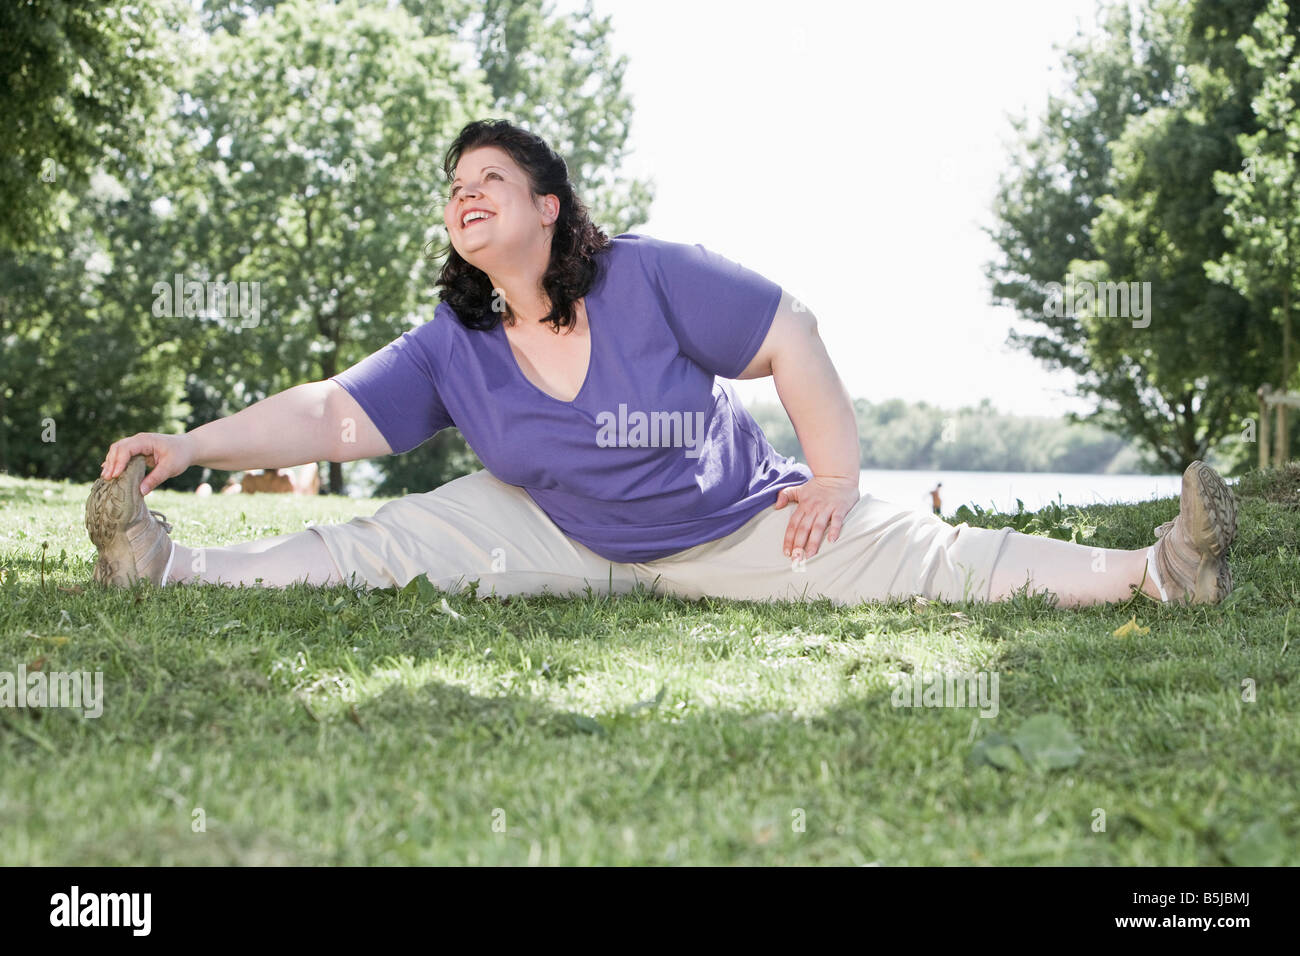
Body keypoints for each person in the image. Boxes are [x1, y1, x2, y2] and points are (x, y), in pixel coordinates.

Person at [85, 119, 1238, 607]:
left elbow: (791, 330)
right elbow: (335, 418)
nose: (464, 193)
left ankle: (1157, 570)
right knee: (379, 539)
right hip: (551, 527)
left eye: (488, 177)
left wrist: (831, 481)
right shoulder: (457, 338)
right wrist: (188, 445)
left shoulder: (649, 274)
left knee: (934, 558)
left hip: (732, 526)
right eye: (452, 188)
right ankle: (168, 569)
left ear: (548, 204)